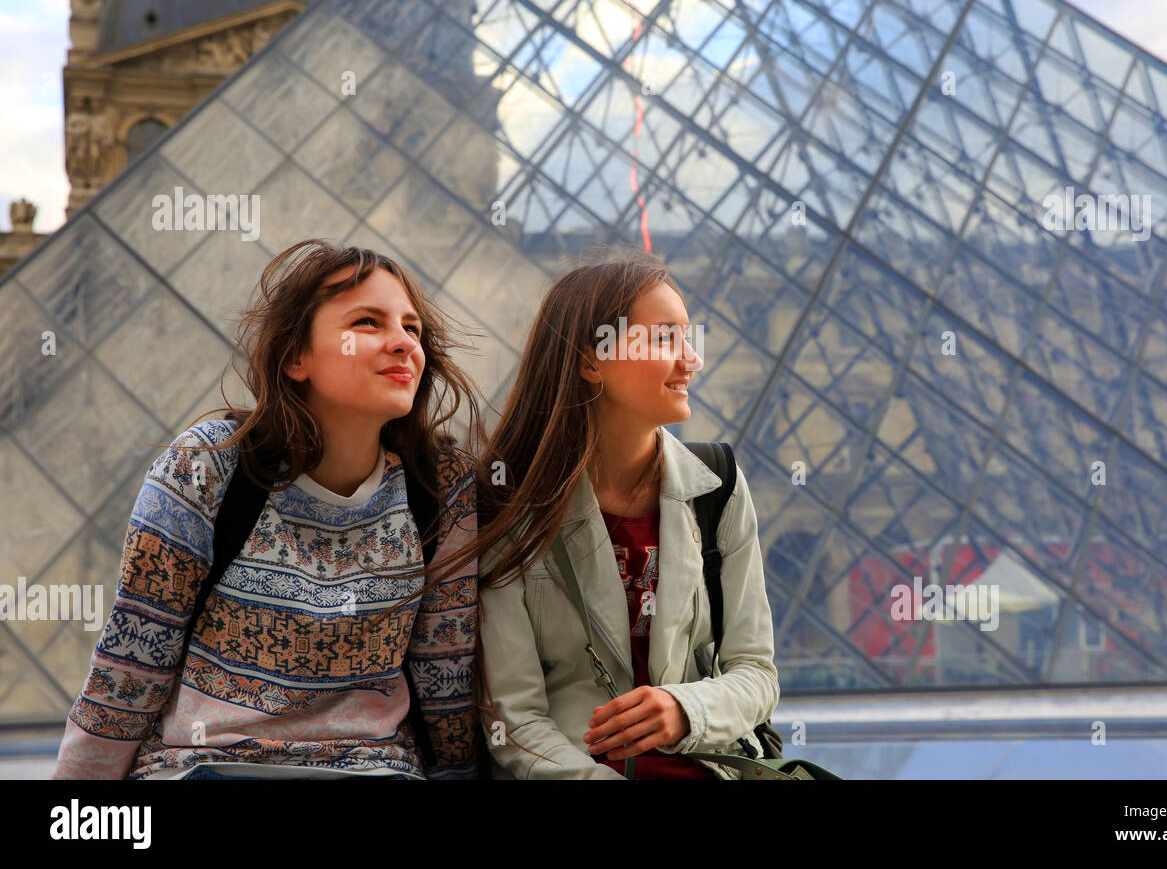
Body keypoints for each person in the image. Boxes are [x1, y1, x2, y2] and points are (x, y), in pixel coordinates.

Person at [52, 240, 483, 780]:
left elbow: (446, 677)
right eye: (369, 322)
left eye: (413, 328)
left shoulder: (442, 487)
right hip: (209, 766)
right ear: (294, 358)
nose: (403, 343)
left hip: (372, 771)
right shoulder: (203, 468)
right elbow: (134, 663)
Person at [474, 247, 780, 779]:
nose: (692, 359)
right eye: (665, 337)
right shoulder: (508, 503)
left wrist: (687, 709)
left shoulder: (719, 487)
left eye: (689, 337)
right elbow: (515, 718)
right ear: (592, 361)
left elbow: (757, 673)